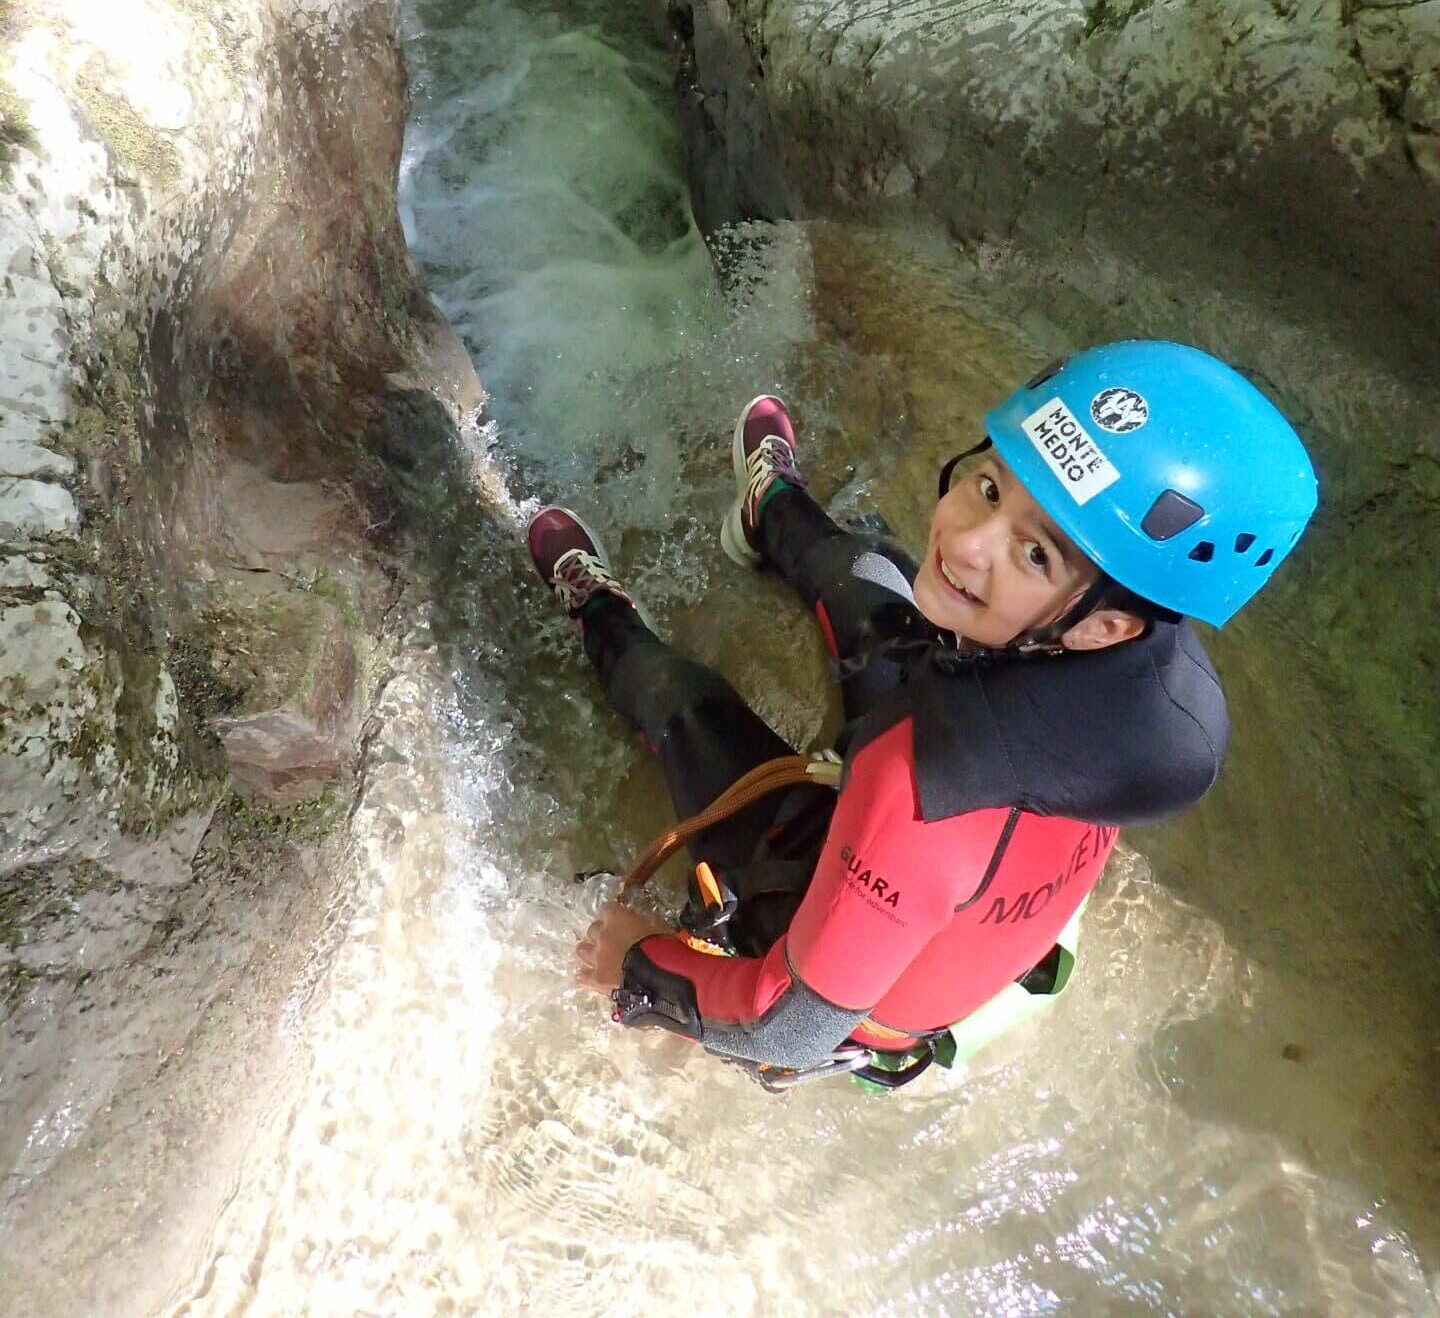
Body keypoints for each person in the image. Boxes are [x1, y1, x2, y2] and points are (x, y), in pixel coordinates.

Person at [526, 341, 1317, 1089]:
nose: (968, 541)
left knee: (683, 702)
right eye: (992, 486)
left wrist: (638, 964)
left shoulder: (917, 793)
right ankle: (770, 506)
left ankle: (599, 611)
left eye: (1036, 553)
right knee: (869, 573)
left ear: (1106, 626)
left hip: (851, 974)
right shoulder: (1151, 664)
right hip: (950, 902)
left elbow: (787, 1029)